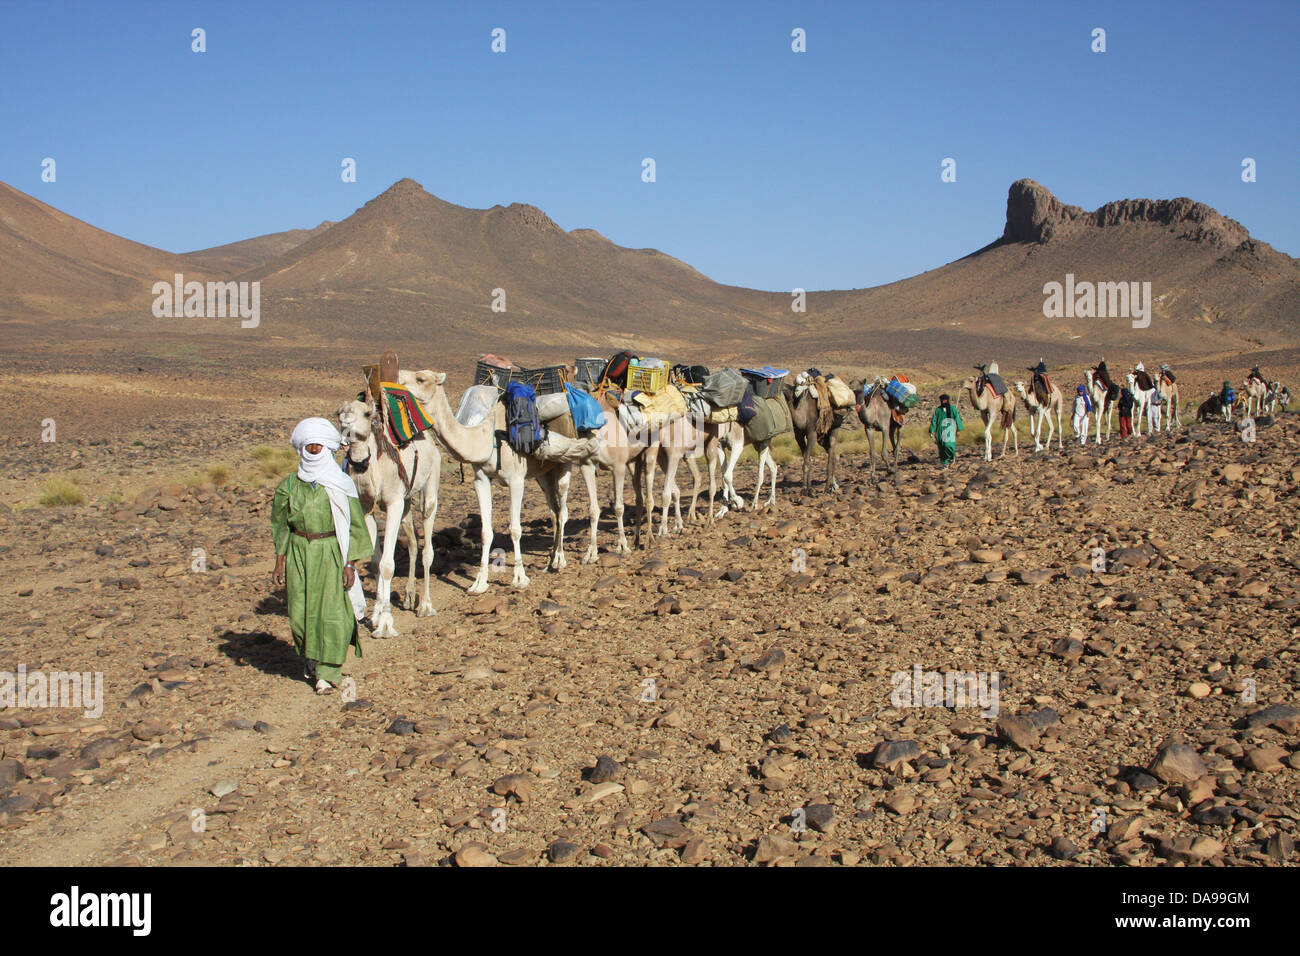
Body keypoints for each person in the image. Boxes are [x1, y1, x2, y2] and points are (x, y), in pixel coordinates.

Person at [271, 418, 373, 694]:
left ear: (328, 448)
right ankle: (311, 660)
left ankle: (328, 671)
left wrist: (350, 563)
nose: (314, 448)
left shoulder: (341, 484)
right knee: (300, 613)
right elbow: (281, 525)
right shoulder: (289, 486)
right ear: (302, 448)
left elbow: (355, 527)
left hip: (331, 552)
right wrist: (280, 560)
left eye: (319, 444)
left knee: (333, 612)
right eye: (309, 444)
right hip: (299, 552)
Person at [928, 394, 963, 469]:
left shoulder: (953, 409)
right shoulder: (938, 410)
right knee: (942, 448)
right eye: (942, 400)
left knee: (949, 445)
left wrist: (958, 430)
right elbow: (934, 420)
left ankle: (952, 456)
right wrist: (932, 430)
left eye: (945, 400)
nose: (943, 401)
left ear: (947, 400)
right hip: (940, 431)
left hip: (950, 430)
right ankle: (944, 464)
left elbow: (957, 418)